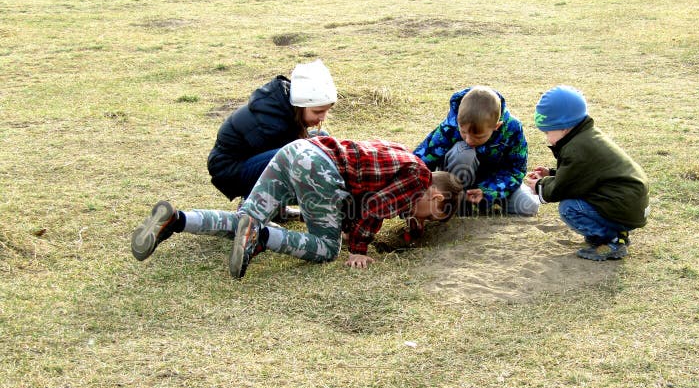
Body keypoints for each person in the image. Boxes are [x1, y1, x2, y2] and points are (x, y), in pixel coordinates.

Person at [132, 137, 463, 275]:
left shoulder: (405, 158)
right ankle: (262, 239)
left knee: (245, 218)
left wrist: (412, 226)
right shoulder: (419, 180)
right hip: (319, 169)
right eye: (432, 215)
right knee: (325, 248)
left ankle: (177, 220)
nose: (422, 219)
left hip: (296, 151)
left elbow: (364, 197)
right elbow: (375, 206)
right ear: (435, 197)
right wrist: (357, 248)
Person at [524, 85, 649, 261]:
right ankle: (611, 233)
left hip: (622, 207)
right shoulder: (586, 137)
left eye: (548, 132)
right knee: (576, 202)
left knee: (569, 208)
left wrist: (539, 186)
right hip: (625, 203)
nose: (547, 138)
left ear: (564, 127)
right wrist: (551, 173)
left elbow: (563, 187)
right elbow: (582, 175)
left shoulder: (577, 148)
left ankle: (612, 241)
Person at [207, 59, 336, 202]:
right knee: (297, 154)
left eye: (326, 111)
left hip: (253, 159)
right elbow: (282, 167)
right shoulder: (273, 123)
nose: (323, 118)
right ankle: (252, 204)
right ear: (301, 106)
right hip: (230, 170)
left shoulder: (285, 108)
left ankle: (275, 208)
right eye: (318, 111)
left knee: (321, 140)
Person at [414, 85, 539, 216]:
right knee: (463, 150)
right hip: (453, 178)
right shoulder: (451, 124)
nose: (468, 140)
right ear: (458, 120)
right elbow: (423, 159)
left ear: (497, 126)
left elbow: (515, 170)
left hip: (493, 182)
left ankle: (475, 203)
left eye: (478, 136)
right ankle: (456, 203)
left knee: (530, 206)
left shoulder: (513, 128)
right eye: (463, 132)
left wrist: (488, 192)